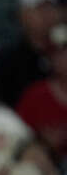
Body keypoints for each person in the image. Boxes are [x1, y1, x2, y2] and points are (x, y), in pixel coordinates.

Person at [0, 0, 62, 109]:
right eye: (39, 9)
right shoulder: (8, 58)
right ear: (22, 15)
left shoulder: (62, 53)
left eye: (50, 7)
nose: (47, 14)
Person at [16, 23, 67, 163]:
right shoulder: (34, 95)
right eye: (59, 53)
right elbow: (18, 139)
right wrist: (43, 141)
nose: (65, 59)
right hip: (44, 167)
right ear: (50, 59)